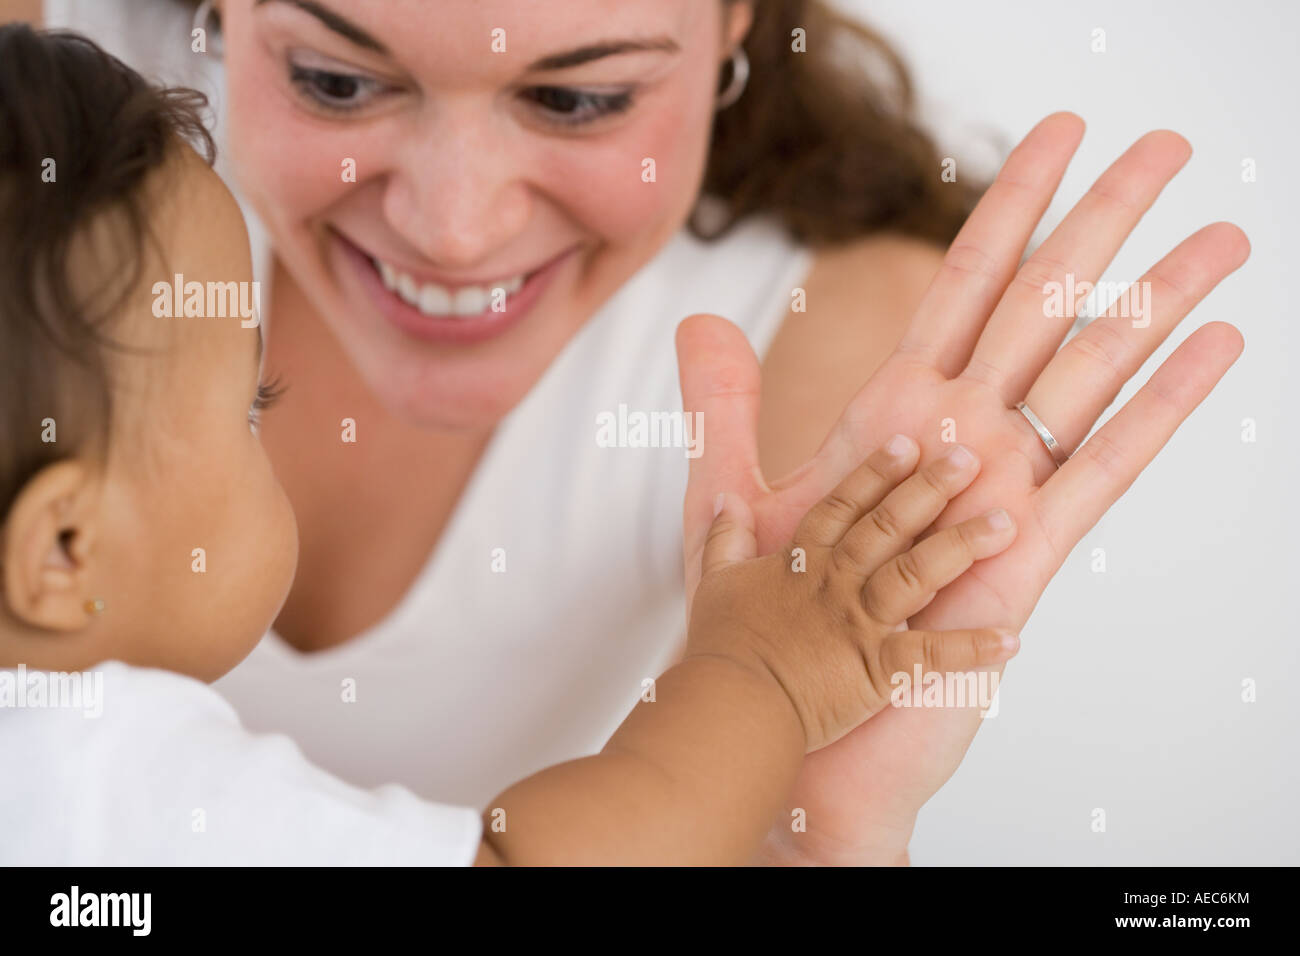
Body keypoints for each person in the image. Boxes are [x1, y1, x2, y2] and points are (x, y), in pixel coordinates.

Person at [7, 0, 1250, 865]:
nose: (450, 226)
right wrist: (761, 677)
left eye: (578, 95)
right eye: (335, 79)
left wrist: (817, 840)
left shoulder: (843, 340)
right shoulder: (63, 137)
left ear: (730, 36)